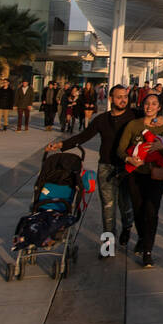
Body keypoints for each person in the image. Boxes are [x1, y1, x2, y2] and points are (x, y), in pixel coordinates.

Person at [49, 84, 137, 252]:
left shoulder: (134, 116)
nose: (123, 100)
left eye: (125, 97)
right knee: (108, 207)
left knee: (125, 205)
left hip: (127, 168)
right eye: (119, 97)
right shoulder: (102, 120)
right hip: (106, 167)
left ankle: (127, 226)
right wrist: (62, 144)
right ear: (110, 99)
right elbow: (84, 136)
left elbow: (152, 119)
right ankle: (108, 246)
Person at [117, 93, 163, 268]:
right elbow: (121, 150)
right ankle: (142, 238)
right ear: (142, 106)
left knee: (151, 211)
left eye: (154, 104)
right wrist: (129, 160)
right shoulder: (133, 125)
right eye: (147, 104)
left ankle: (148, 251)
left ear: (159, 107)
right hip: (135, 174)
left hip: (156, 175)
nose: (149, 107)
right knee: (138, 209)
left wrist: (162, 147)